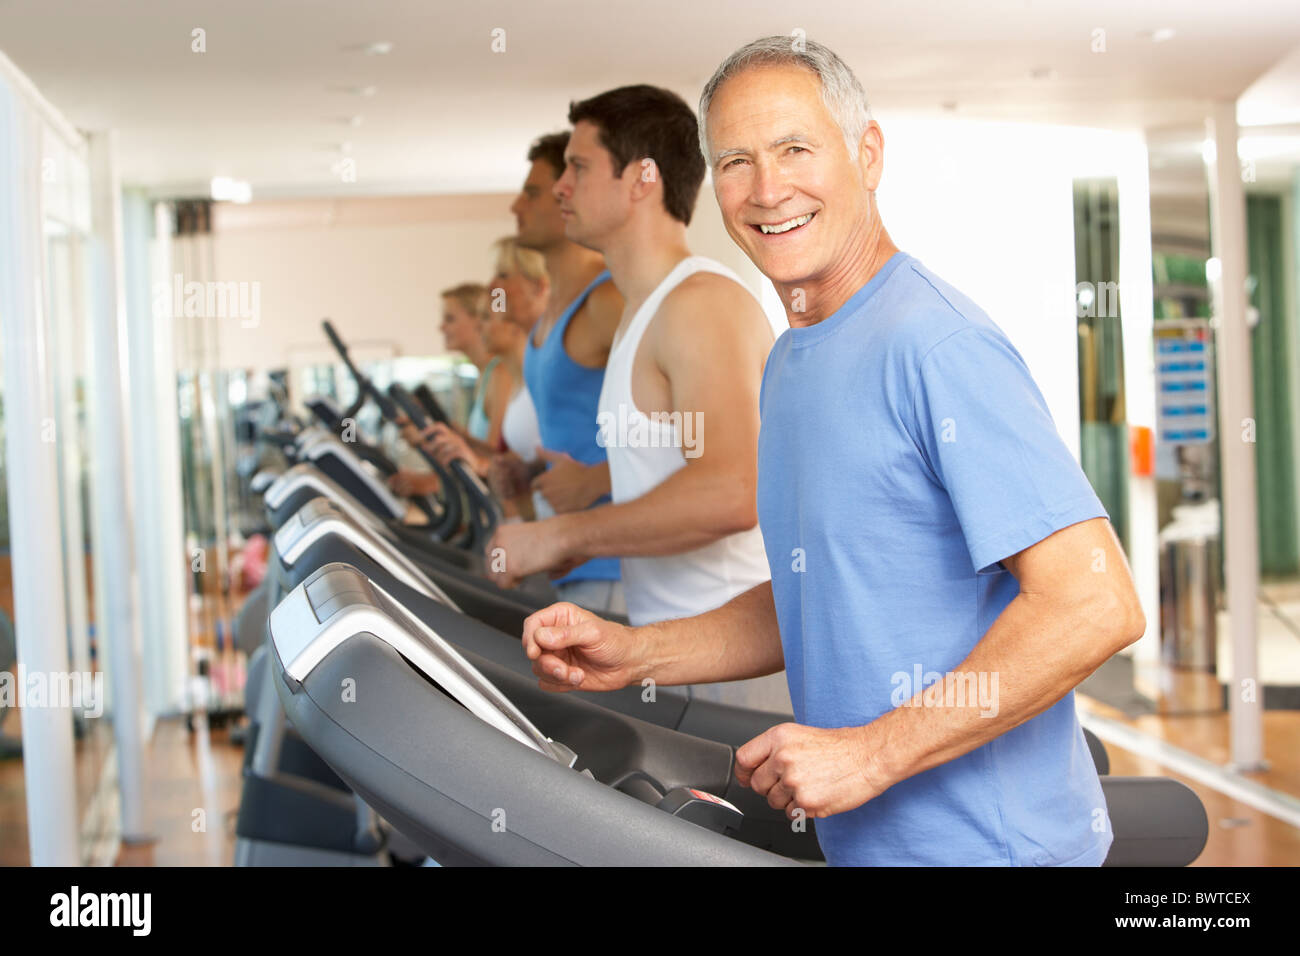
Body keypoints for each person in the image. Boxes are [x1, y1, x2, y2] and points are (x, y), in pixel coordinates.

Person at [519, 37, 1145, 867]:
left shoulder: (937, 346)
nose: (768, 188)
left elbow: (1095, 603)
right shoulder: (794, 358)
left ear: (868, 154)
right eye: (736, 160)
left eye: (795, 149)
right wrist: (639, 651)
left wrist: (870, 753)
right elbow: (824, 587)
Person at [488, 85, 789, 710]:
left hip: (737, 669)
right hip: (682, 659)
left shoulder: (700, 304)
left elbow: (732, 493)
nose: (562, 188)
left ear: (642, 178)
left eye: (578, 167)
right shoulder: (641, 313)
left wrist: (565, 535)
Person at [490, 131, 626, 614]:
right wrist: (526, 471)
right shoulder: (543, 326)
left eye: (530, 193)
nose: (515, 206)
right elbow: (576, 438)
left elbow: (694, 437)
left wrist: (597, 480)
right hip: (568, 561)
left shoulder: (610, 301)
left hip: (617, 569)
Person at [388, 283, 506, 499]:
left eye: (450, 319)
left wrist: (429, 483)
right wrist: (438, 435)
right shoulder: (483, 376)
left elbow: (498, 462)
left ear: (478, 320)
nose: (441, 327)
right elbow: (476, 451)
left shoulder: (500, 374)